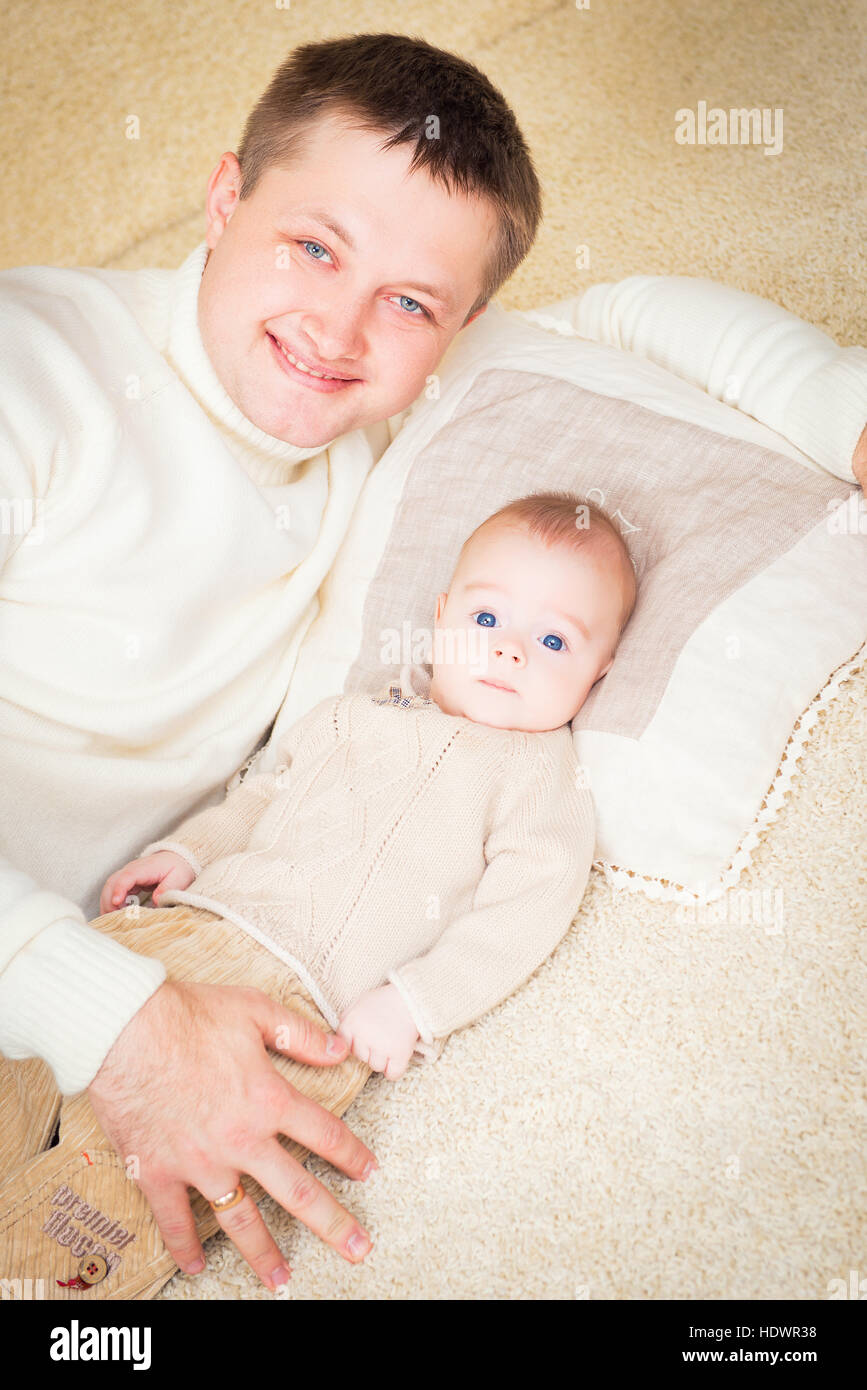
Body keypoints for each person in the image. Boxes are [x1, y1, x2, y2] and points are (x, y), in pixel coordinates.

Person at [0, 32, 543, 1291]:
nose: (341, 326)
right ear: (225, 195)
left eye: (411, 301)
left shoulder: (377, 448)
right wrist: (118, 1021)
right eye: (316, 245)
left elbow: (631, 322)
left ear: (456, 330)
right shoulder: (32, 371)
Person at [0, 491, 637, 1299]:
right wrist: (186, 852)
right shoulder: (348, 715)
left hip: (296, 1011)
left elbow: (528, 905)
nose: (509, 653)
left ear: (601, 669)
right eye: (486, 621)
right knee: (22, 1061)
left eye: (552, 640)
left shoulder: (539, 772)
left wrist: (413, 1002)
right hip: (170, 940)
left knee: (108, 1195)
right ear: (439, 616)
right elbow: (262, 796)